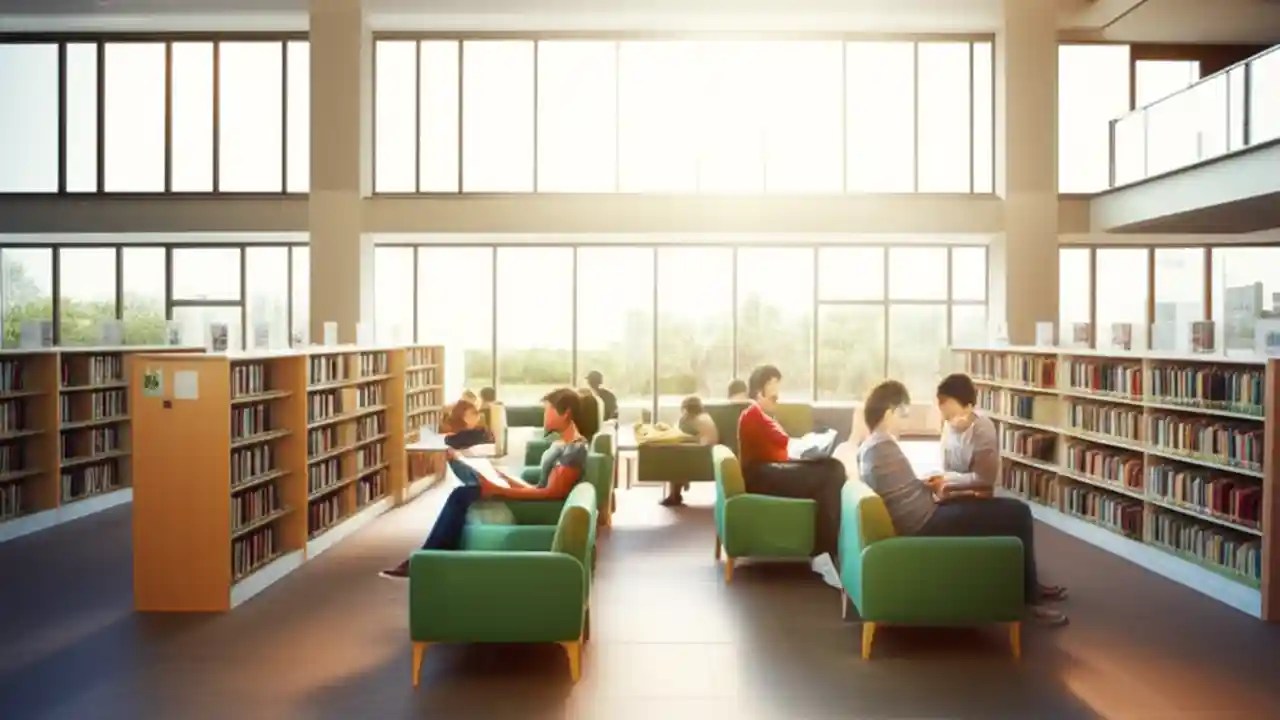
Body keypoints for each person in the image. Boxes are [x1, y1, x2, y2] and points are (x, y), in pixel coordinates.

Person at [856, 380, 1068, 625]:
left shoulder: (874, 445)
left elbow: (903, 492)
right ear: (890, 412)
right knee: (1018, 513)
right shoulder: (883, 446)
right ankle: (1031, 600)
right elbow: (910, 502)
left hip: (927, 512)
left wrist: (931, 487)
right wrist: (938, 491)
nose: (906, 421)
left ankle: (1028, 587)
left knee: (1001, 511)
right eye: (904, 414)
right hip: (927, 522)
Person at [379, 388, 592, 579]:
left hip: (539, 508)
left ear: (566, 413)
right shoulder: (566, 445)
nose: (544, 415)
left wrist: (500, 490)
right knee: (468, 480)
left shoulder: (575, 449)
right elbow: (543, 487)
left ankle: (427, 558)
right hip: (536, 499)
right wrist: (505, 479)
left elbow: (551, 494)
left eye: (548, 410)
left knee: (462, 494)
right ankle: (431, 557)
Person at [736, 365, 846, 589]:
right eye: (773, 397)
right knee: (831, 473)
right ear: (759, 394)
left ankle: (827, 551)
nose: (777, 401)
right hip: (762, 474)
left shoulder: (763, 416)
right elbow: (785, 443)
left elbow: (783, 444)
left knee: (831, 470)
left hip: (771, 469)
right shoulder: (754, 415)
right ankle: (824, 553)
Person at [931, 373, 998, 499]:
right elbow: (947, 468)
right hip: (952, 492)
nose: (948, 419)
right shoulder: (948, 425)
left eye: (952, 413)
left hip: (976, 497)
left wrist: (946, 480)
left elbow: (985, 479)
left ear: (968, 407)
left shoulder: (982, 428)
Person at [660, 396, 719, 507]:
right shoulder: (704, 417)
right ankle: (677, 490)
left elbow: (678, 431)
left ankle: (674, 494)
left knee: (674, 455)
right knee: (679, 452)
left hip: (702, 453)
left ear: (686, 409)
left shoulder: (690, 419)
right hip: (709, 451)